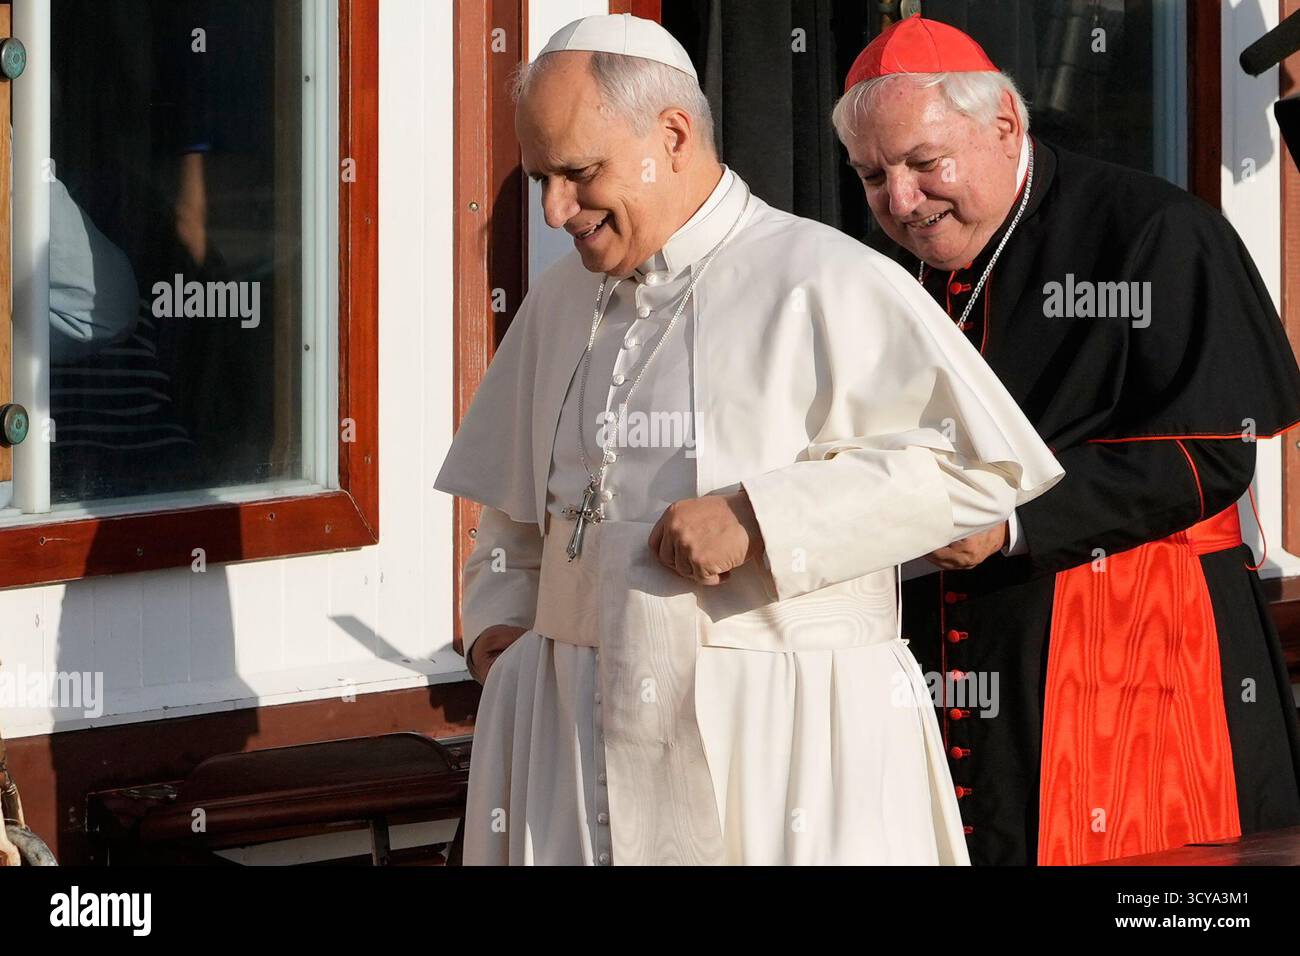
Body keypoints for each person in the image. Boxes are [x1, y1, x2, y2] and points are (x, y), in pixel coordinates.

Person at [436, 13, 1062, 865]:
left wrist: (761, 514)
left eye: (579, 174)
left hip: (783, 737)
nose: (554, 211)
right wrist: (497, 637)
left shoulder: (822, 278)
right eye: (542, 176)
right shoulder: (559, 304)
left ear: (673, 134)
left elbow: (977, 470)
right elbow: (515, 515)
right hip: (564, 731)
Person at [834, 14, 1300, 865]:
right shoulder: (888, 268)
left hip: (1136, 643)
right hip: (946, 641)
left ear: (1005, 124)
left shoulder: (1152, 231)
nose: (900, 202)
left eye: (923, 164)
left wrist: (1009, 522)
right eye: (873, 176)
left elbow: (1215, 453)